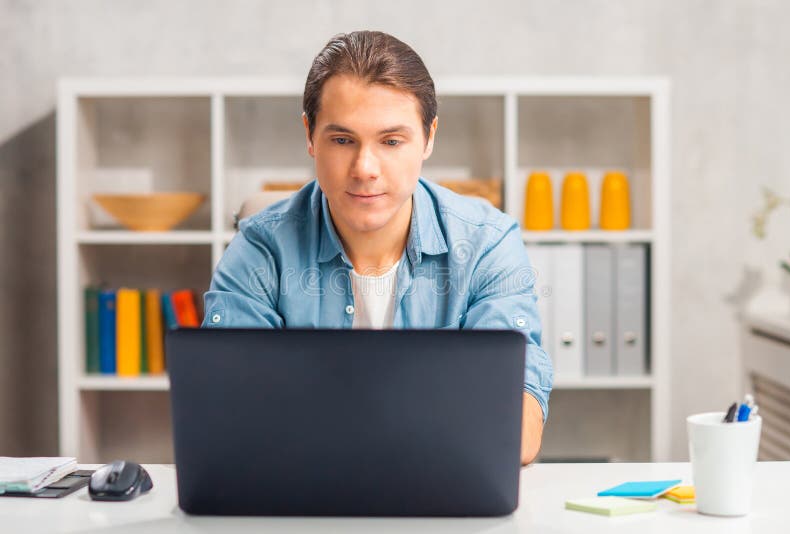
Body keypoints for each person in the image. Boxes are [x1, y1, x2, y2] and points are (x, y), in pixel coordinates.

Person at [202, 30, 553, 465]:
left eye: (391, 141)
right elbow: (231, 418)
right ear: (310, 135)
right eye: (342, 140)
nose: (365, 169)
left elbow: (516, 431)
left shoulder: (487, 243)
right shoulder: (260, 249)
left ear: (428, 138)